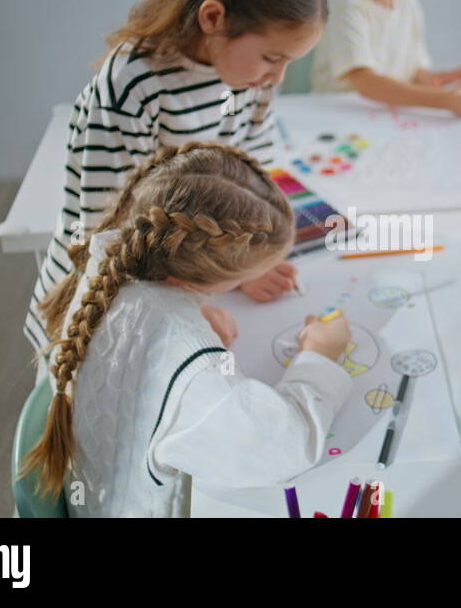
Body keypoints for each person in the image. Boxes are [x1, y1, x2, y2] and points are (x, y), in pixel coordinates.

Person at [20, 143, 353, 517]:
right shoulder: (189, 361)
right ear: (195, 278)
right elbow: (285, 447)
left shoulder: (107, 262)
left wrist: (195, 312)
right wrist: (319, 355)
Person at [24, 0, 329, 361]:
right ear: (213, 18)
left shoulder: (251, 79)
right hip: (98, 309)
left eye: (290, 61)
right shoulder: (130, 86)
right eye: (273, 58)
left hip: (189, 277)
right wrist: (189, 313)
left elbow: (251, 189)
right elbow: (112, 233)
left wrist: (247, 266)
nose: (278, 78)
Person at [310, 0, 461, 117]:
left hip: (386, 113)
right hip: (341, 114)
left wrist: (442, 81)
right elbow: (364, 82)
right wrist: (442, 99)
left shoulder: (407, 2)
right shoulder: (347, 0)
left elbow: (415, 73)